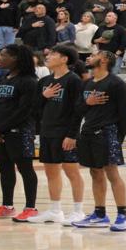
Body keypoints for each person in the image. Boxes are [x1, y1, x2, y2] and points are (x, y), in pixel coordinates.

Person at [70, 49, 126, 231]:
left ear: (104, 60)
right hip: (88, 132)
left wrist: (117, 138)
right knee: (95, 173)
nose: (89, 57)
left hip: (107, 132)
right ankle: (100, 214)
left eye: (94, 55)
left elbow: (125, 114)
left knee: (112, 173)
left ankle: (122, 215)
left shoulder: (116, 83)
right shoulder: (87, 83)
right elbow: (78, 110)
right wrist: (87, 103)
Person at [0, 43, 43, 221]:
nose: (0, 58)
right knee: (5, 170)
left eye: (4, 55)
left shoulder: (29, 81)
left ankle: (31, 207)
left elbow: (25, 111)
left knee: (26, 169)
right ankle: (7, 206)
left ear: (15, 58)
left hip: (19, 132)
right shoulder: (3, 80)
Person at [35, 44, 87, 224]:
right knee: (51, 172)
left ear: (64, 59)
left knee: (71, 171)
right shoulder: (44, 81)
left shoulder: (73, 81)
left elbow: (78, 110)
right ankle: (55, 210)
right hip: (47, 131)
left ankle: (78, 210)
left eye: (53, 54)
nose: (48, 56)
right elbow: (35, 108)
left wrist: (72, 135)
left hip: (66, 132)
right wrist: (44, 96)